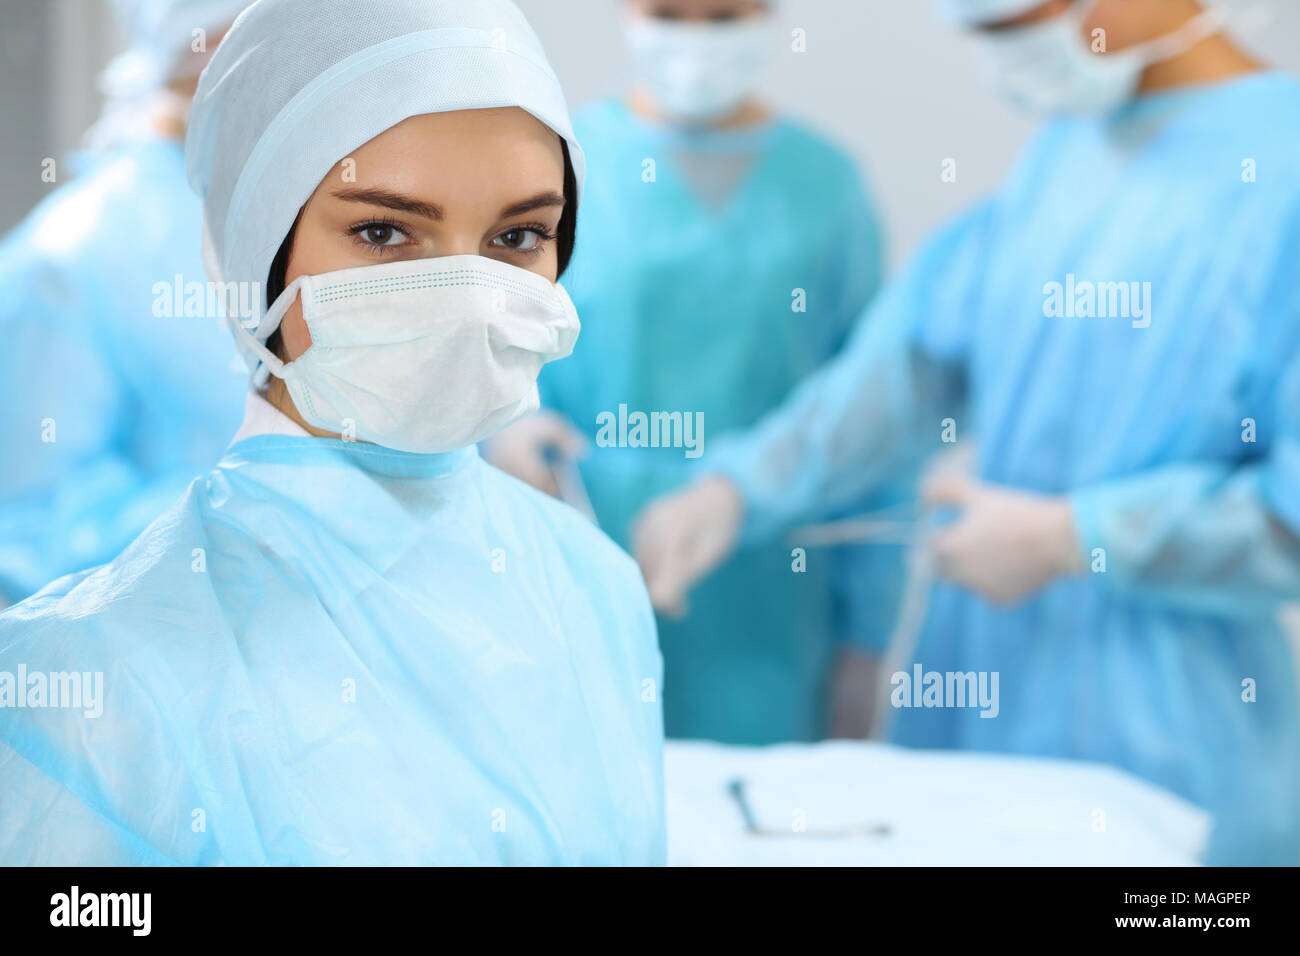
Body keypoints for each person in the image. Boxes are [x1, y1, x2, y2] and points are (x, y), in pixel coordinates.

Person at [630, 0, 1300, 864]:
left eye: (1025, 23)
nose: (1010, 58)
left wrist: (1077, 539)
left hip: (1178, 723)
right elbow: (905, 374)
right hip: (985, 693)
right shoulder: (1064, 153)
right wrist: (740, 486)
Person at [0, 0, 665, 866]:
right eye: (384, 231)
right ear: (254, 251)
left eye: (518, 236)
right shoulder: (93, 684)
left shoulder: (597, 593)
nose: (465, 294)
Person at [487, 0, 907, 744]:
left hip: (766, 582)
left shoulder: (826, 186)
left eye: (723, 15)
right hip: (578, 549)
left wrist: (867, 638)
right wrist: (501, 431)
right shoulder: (555, 164)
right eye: (670, 12)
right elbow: (481, 340)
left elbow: (872, 419)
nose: (695, 38)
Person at [0, 0, 250, 607]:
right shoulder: (68, 263)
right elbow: (28, 540)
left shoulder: (292, 209)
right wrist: (257, 511)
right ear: (204, 44)